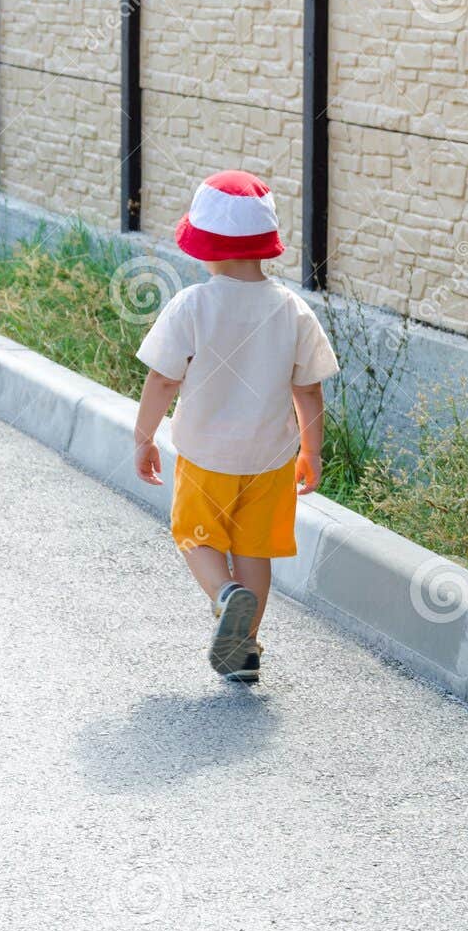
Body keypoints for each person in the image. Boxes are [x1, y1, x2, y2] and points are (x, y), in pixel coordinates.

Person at [132, 170, 339, 682]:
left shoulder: (194, 305)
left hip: (207, 456)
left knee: (195, 536)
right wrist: (311, 451)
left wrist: (143, 437)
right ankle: (244, 652)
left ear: (207, 249)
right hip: (270, 461)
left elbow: (162, 379)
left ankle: (226, 598)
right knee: (254, 552)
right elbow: (309, 389)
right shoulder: (292, 309)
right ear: (264, 248)